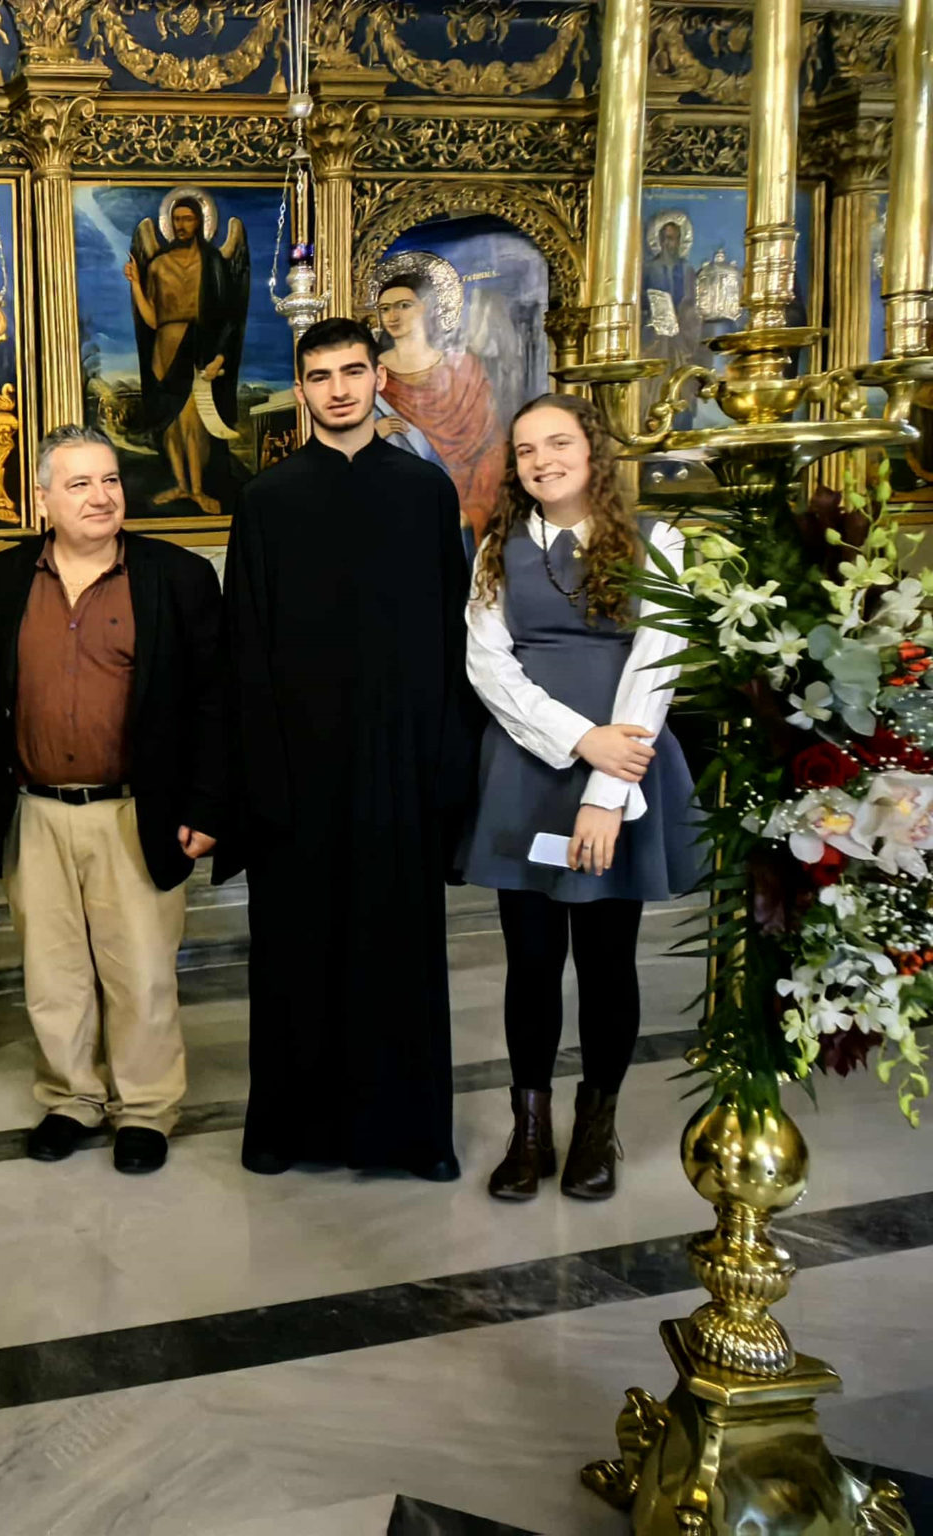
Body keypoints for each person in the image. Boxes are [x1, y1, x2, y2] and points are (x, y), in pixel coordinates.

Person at [221, 316, 476, 1181]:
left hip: (400, 769)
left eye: (353, 372)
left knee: (399, 955)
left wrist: (445, 768)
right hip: (298, 775)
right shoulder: (267, 500)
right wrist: (261, 779)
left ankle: (413, 1137)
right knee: (295, 956)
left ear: (379, 380)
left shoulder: (425, 493)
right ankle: (286, 1132)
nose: (339, 389)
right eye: (321, 376)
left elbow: (452, 638)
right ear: (301, 390)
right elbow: (246, 648)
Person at [0, 425, 230, 1174]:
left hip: (136, 810)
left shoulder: (177, 577)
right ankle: (71, 1097)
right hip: (34, 811)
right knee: (53, 973)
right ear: (42, 498)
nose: (102, 496)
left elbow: (216, 700)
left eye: (110, 480)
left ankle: (145, 1108)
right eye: (79, 484)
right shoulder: (5, 576)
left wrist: (208, 805)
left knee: (141, 972)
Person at [460, 394, 703, 1201]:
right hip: (527, 771)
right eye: (526, 450)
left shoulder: (655, 540)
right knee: (530, 961)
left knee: (605, 960)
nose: (542, 461)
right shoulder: (495, 547)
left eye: (558, 443)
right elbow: (489, 666)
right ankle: (530, 1131)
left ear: (592, 450)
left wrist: (605, 786)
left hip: (624, 770)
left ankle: (597, 1126)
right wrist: (575, 739)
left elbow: (656, 666)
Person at [124, 194, 250, 515]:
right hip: (162, 353)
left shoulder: (213, 263)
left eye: (188, 219)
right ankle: (181, 485)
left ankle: (197, 489)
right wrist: (136, 283)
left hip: (197, 349)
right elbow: (152, 319)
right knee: (170, 425)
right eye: (176, 219)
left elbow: (228, 317)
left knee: (192, 422)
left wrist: (219, 357)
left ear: (199, 222)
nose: (181, 225)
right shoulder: (158, 265)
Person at [373, 271, 505, 538]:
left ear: (426, 307)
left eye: (404, 305)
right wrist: (374, 434)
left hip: (462, 492)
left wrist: (473, 506)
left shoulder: (464, 366)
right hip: (398, 498)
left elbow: (489, 442)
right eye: (385, 309)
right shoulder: (370, 373)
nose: (393, 316)